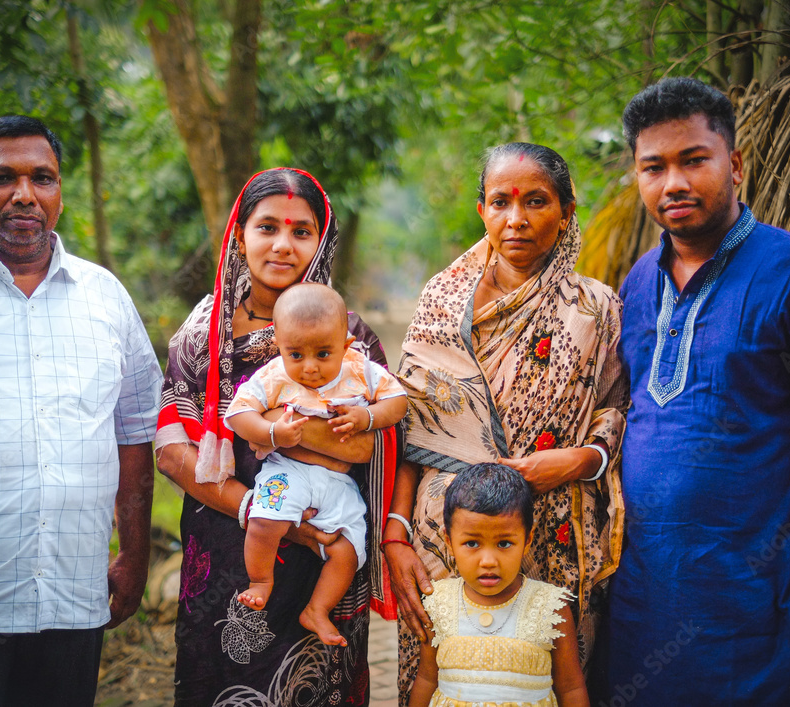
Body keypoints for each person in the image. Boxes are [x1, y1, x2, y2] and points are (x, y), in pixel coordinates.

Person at [599, 77, 790, 706]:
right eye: (654, 167)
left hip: (757, 601)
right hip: (644, 599)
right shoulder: (637, 283)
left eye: (694, 160)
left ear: (736, 164)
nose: (673, 182)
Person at [0, 115, 162, 707]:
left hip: (70, 598)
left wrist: (135, 556)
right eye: (2, 178)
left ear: (59, 192)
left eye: (43, 178)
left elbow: (135, 433)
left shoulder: (106, 298)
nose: (25, 194)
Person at [384, 142, 628, 704]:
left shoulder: (596, 308)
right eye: (500, 202)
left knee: (546, 681)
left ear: (567, 211)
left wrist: (579, 459)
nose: (516, 219)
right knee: (440, 678)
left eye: (536, 201)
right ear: (482, 211)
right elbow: (410, 432)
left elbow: (617, 409)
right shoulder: (442, 304)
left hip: (552, 524)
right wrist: (396, 536)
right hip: (447, 535)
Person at [155, 168, 399, 706]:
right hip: (229, 556)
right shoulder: (201, 340)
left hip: (326, 557)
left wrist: (270, 432)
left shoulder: (351, 338)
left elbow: (370, 446)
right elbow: (174, 455)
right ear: (239, 237)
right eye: (267, 227)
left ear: (321, 241)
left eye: (302, 231)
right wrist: (265, 516)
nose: (284, 245)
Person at [226, 283, 407, 644]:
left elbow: (398, 401)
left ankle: (317, 609)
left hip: (339, 484)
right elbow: (239, 414)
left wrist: (366, 417)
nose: (309, 367)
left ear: (346, 345)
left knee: (348, 549)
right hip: (287, 472)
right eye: (296, 354)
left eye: (324, 354)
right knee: (264, 520)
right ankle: (260, 581)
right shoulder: (274, 375)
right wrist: (274, 432)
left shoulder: (361, 369)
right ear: (279, 345)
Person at [408, 463, 589, 707]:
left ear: (527, 540)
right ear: (449, 541)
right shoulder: (438, 604)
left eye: (504, 544)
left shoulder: (550, 608)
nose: (488, 562)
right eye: (472, 543)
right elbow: (427, 679)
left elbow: (571, 688)